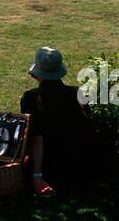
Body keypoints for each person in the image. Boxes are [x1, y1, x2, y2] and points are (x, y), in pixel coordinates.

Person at [20, 46, 97, 193]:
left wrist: (37, 176)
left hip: (51, 167)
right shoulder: (76, 93)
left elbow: (36, 137)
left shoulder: (31, 98)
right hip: (78, 164)